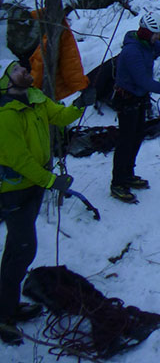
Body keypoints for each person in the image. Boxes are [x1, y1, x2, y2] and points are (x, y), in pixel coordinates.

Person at [0, 60, 81, 345]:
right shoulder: (5, 114)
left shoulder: (35, 99)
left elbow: (58, 115)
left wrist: (79, 107)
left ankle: (6, 304)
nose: (26, 72)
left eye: (26, 69)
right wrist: (50, 181)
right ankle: (3, 315)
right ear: (6, 80)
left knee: (16, 247)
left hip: (34, 186)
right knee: (24, 250)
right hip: (13, 189)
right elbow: (18, 159)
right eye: (19, 70)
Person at [111, 10, 160, 203]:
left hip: (138, 99)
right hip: (127, 100)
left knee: (136, 137)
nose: (158, 37)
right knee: (126, 141)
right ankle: (118, 183)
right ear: (146, 32)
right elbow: (143, 81)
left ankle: (128, 174)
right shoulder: (132, 51)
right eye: (155, 34)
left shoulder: (147, 44)